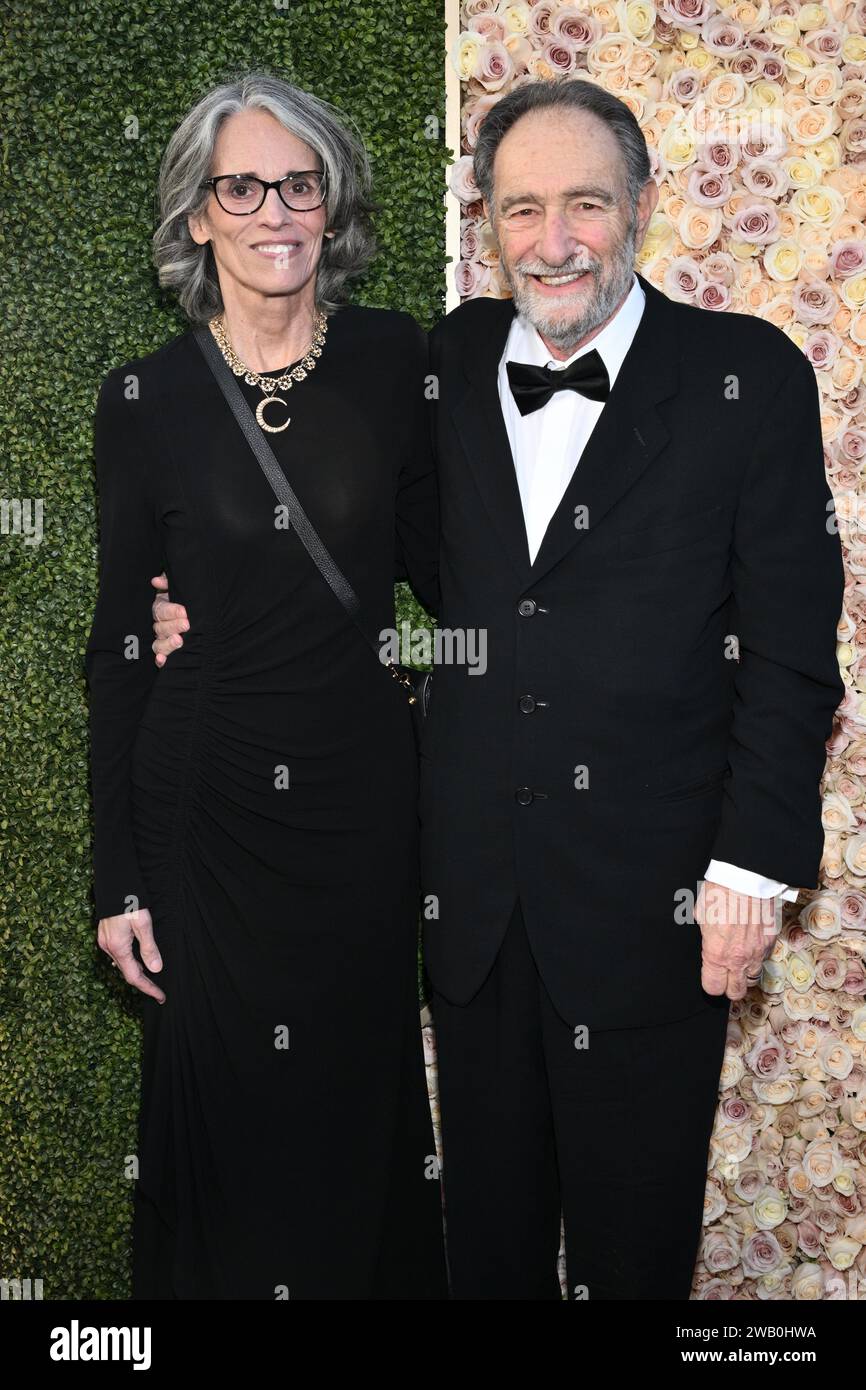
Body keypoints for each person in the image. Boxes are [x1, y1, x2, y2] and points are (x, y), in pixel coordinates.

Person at [155, 78, 845, 1301]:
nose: (553, 239)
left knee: (635, 1260)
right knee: (490, 1254)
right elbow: (366, 547)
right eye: (520, 209)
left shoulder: (746, 376)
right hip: (467, 905)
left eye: (583, 203)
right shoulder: (449, 358)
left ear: (638, 206)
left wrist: (748, 870)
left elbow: (790, 649)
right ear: (485, 221)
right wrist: (199, 610)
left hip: (657, 909)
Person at [85, 70, 445, 1300]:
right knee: (223, 1109)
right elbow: (116, 645)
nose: (272, 210)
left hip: (356, 806)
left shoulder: (401, 358)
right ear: (198, 215)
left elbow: (460, 569)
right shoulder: (144, 398)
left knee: (355, 1101)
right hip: (205, 806)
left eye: (298, 183)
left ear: (329, 202)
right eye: (240, 185)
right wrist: (116, 871)